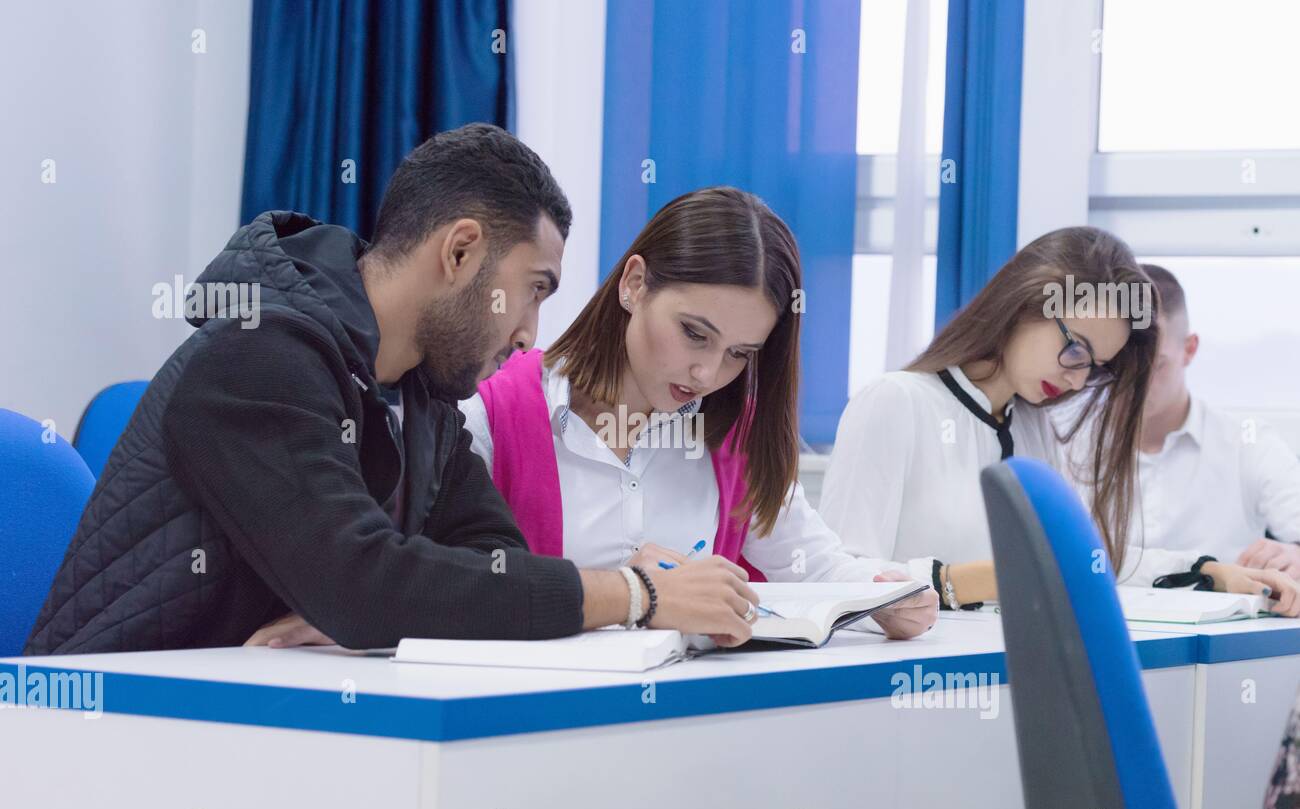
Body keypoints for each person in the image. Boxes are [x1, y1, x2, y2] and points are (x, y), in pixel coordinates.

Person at [25, 124, 759, 656]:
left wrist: (371, 602)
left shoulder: (420, 396)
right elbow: (366, 583)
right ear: (461, 251)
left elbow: (491, 553)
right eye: (532, 291)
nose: (532, 333)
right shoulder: (258, 359)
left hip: (255, 721)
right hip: (107, 743)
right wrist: (638, 593)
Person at [254, 187, 937, 649]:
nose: (706, 374)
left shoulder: (731, 432)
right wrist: (631, 592)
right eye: (694, 333)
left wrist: (885, 591)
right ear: (635, 283)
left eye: (739, 354)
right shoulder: (493, 408)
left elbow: (816, 566)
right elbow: (433, 572)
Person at [818, 226, 1300, 615]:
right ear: (1026, 301)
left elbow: (1087, 561)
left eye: (1094, 368)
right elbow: (836, 578)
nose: (1076, 380)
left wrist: (1212, 572)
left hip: (1011, 677)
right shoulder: (895, 403)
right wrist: (966, 581)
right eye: (1076, 350)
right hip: (897, 691)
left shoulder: (1032, 427)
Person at [1129, 263, 1300, 579]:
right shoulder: (1066, 442)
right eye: (1120, 364)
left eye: (1155, 365)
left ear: (1189, 349)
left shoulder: (1247, 442)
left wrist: (1295, 555)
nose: (1134, 382)